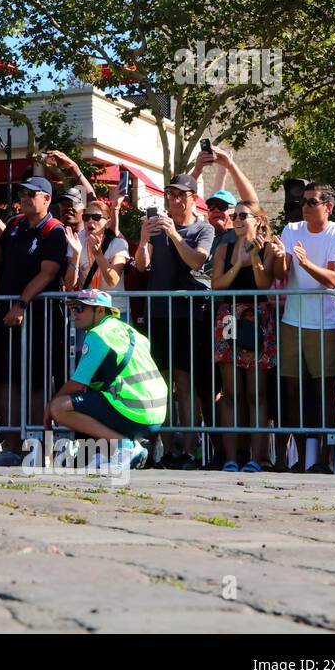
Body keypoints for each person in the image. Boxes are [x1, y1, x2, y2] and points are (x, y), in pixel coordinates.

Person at [0, 176, 70, 466]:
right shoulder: (14, 224)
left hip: (39, 317)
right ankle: (11, 447)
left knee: (37, 383)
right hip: (7, 313)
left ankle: (37, 448)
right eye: (22, 193)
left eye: (31, 194)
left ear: (46, 199)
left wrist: (22, 303)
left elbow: (48, 273)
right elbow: (0, 258)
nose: (24, 197)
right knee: (6, 381)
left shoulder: (53, 230)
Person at [133, 173, 215, 470]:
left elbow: (197, 261)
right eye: (171, 195)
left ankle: (190, 451)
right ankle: (168, 449)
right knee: (161, 384)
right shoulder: (157, 228)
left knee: (185, 384)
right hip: (157, 314)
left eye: (181, 194)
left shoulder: (203, 228)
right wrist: (144, 239)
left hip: (188, 315)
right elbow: (142, 265)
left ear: (193, 197)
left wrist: (175, 235)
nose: (175, 200)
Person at [269, 182, 335, 473]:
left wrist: (304, 262)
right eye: (302, 202)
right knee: (292, 392)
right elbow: (281, 273)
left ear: (328, 206)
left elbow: (332, 278)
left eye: (311, 202)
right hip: (292, 320)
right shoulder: (292, 230)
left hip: (325, 323)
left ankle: (327, 461)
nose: (304, 207)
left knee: (326, 394)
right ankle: (301, 459)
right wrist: (279, 257)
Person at [46, 289, 168, 472]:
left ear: (101, 311)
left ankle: (124, 447)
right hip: (157, 416)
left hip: (135, 412)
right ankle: (109, 452)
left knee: (59, 406)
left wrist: (49, 407)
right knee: (98, 391)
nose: (75, 313)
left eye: (81, 308)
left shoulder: (98, 334)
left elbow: (77, 384)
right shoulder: (132, 332)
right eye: (73, 309)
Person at [210, 202, 275, 472]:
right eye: (233, 215)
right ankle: (231, 457)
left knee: (255, 392)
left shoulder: (269, 247)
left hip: (257, 318)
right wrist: (238, 263)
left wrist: (256, 257)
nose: (236, 219)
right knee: (230, 392)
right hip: (228, 317)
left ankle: (256, 457)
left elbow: (263, 284)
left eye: (242, 216)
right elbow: (217, 284)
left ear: (258, 220)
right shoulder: (224, 248)